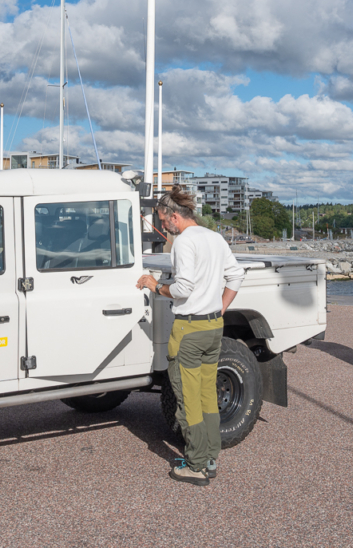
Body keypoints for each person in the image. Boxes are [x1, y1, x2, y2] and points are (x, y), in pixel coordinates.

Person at [136, 186, 243, 487]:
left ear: (173, 216)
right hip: (213, 327)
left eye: (162, 220)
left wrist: (153, 285)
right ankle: (209, 458)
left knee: (188, 399)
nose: (163, 227)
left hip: (189, 330)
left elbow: (182, 289)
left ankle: (195, 465)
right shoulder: (215, 238)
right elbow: (236, 276)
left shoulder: (184, 243)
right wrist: (220, 307)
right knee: (208, 395)